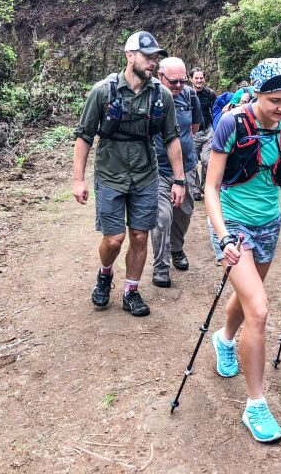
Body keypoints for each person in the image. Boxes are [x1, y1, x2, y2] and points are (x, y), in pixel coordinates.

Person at [204, 57, 281, 443]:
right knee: (261, 309)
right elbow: (211, 188)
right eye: (275, 101)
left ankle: (225, 340)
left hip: (269, 224)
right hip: (232, 222)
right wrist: (223, 236)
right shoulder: (232, 124)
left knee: (248, 298)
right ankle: (256, 405)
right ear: (257, 93)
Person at [73, 31, 186, 317]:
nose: (152, 62)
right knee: (114, 239)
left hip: (146, 175)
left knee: (139, 236)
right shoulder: (103, 91)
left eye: (155, 58)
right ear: (129, 56)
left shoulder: (161, 95)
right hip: (110, 174)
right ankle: (105, 273)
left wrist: (179, 179)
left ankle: (131, 291)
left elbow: (172, 137)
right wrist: (79, 179)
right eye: (147, 57)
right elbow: (85, 136)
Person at [149, 57, 204, 287]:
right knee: (162, 217)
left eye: (182, 81)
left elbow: (194, 127)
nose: (179, 86)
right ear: (160, 76)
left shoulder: (189, 95)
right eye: (174, 82)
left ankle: (177, 248)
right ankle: (161, 266)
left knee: (184, 212)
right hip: (158, 169)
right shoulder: (148, 96)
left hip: (187, 166)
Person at [189, 66, 217, 201]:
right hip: (192, 133)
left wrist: (217, 129)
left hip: (208, 131)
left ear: (204, 79)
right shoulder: (186, 93)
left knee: (208, 160)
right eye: (196, 78)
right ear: (191, 79)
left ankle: (205, 186)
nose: (199, 80)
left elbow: (216, 111)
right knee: (192, 162)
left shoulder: (210, 93)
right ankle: (195, 190)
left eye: (201, 78)